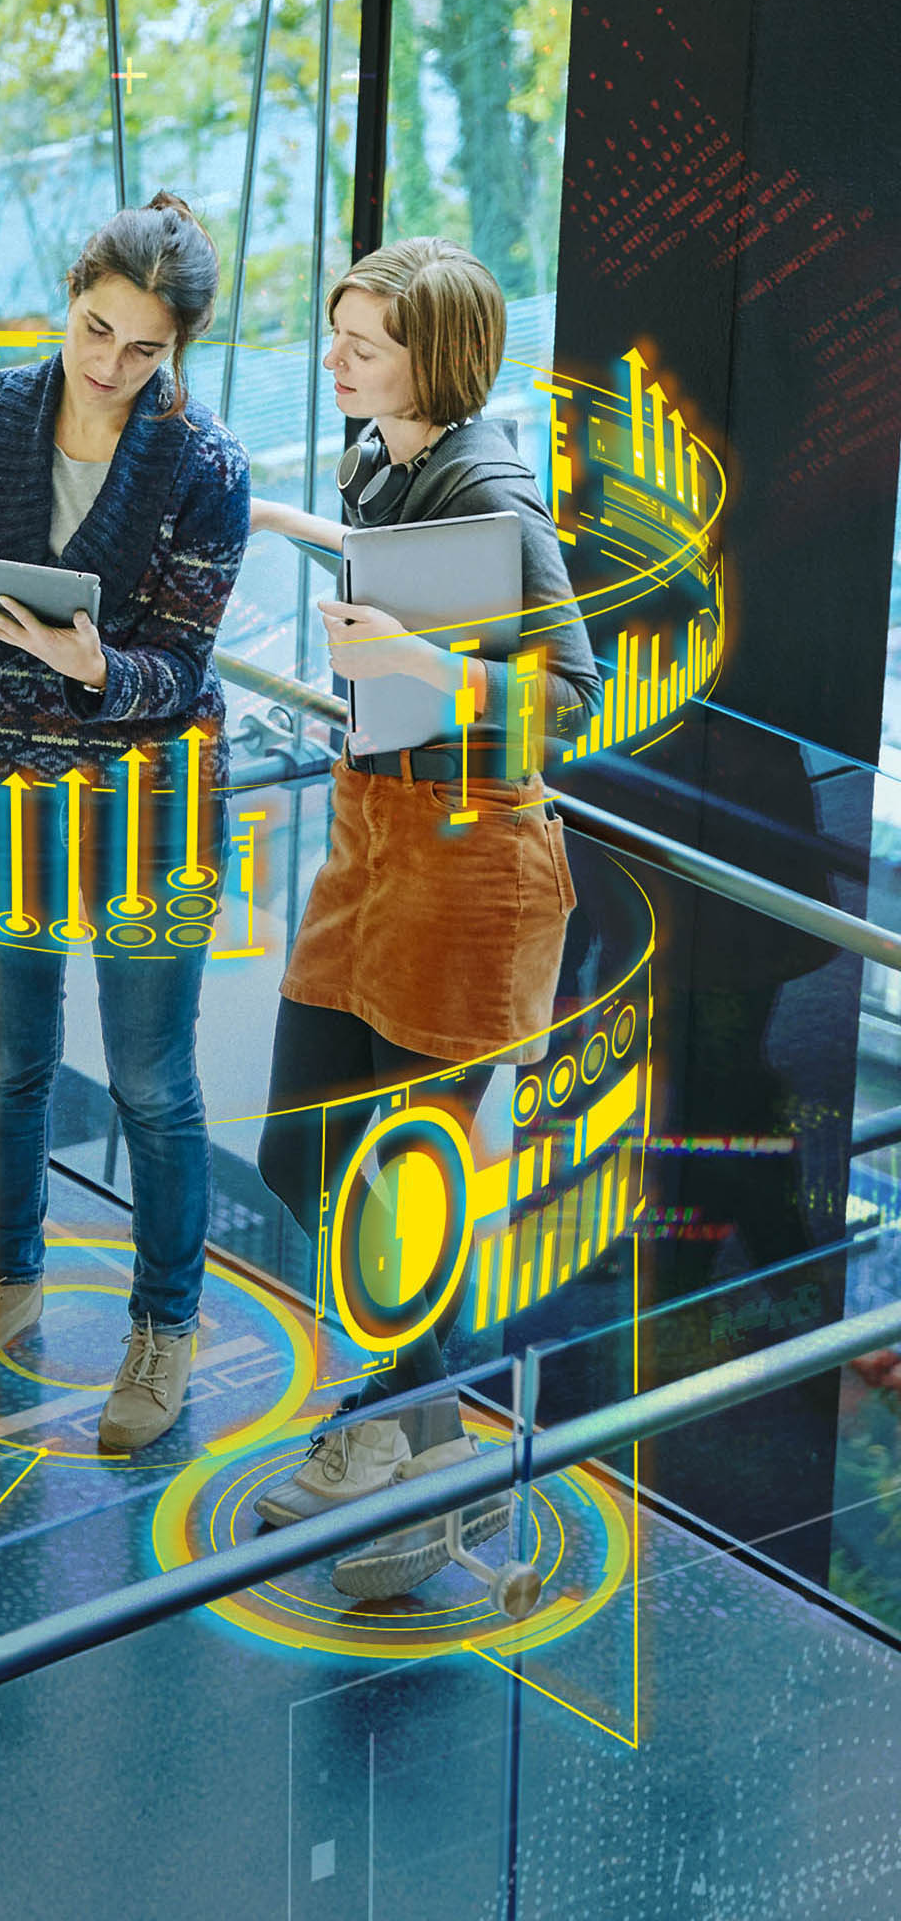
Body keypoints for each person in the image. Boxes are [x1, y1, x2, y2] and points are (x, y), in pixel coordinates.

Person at [241, 238, 599, 1599]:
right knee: (304, 1152)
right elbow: (414, 570)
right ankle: (430, 1426)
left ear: (434, 361)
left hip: (463, 864)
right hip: (375, 840)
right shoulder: (381, 455)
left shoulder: (496, 490)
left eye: (364, 346)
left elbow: (564, 695)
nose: (334, 361)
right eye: (337, 336)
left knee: (410, 1187)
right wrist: (308, 534)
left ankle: (401, 1446)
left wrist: (413, 663)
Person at [0, 197, 251, 1452]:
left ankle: (164, 1324)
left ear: (177, 349)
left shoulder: (210, 469)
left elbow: (186, 669)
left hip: (150, 802)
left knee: (152, 1080)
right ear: (72, 294)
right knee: (5, 1060)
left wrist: (97, 671)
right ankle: (9, 1279)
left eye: (145, 349)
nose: (110, 365)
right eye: (97, 330)